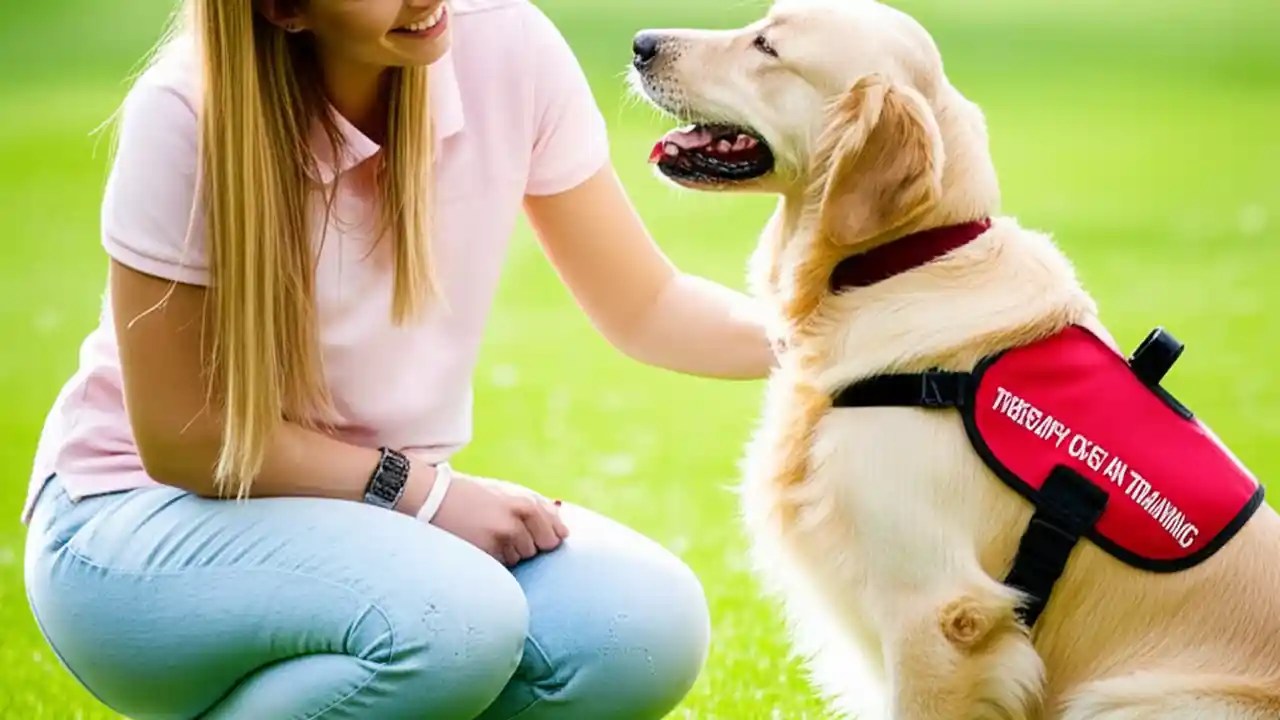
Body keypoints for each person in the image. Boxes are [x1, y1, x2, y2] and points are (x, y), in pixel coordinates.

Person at [19, 0, 776, 718]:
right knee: (452, 623)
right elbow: (187, 438)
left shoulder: (504, 42)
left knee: (642, 630)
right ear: (283, 8)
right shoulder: (185, 112)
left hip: (372, 515)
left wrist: (835, 342)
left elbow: (646, 304)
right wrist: (428, 496)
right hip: (135, 524)